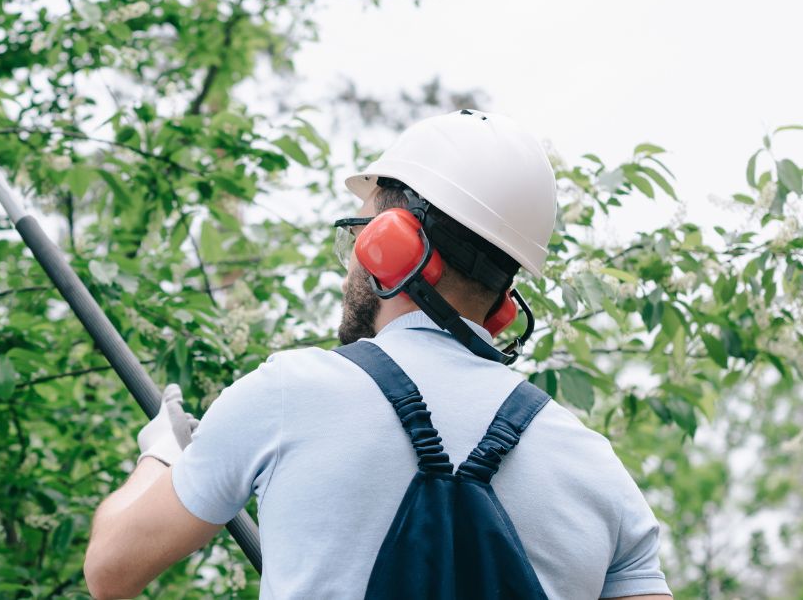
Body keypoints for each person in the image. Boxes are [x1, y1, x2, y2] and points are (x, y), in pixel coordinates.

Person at [83, 110, 673, 599]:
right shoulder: (596, 469)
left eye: (359, 235)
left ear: (390, 245)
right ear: (503, 304)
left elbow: (109, 571)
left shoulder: (287, 394)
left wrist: (162, 453)